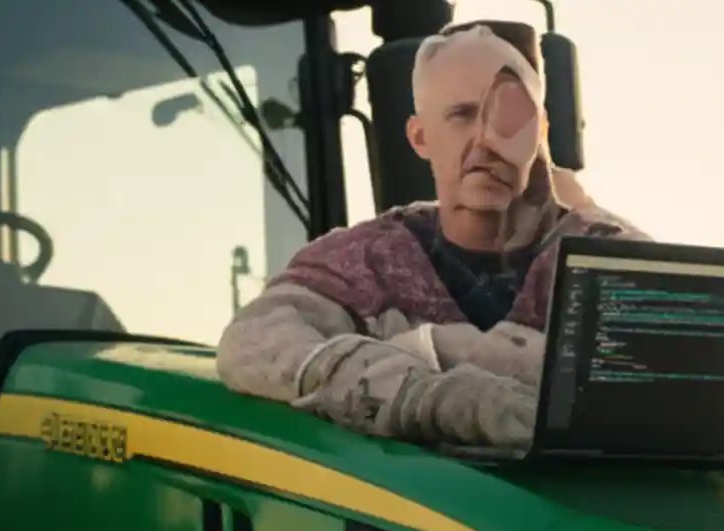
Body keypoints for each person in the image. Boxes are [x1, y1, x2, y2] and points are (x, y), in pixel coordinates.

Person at [216, 19, 651, 449]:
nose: (487, 140)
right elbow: (253, 342)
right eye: (462, 115)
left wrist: (431, 349)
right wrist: (419, 394)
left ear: (540, 132)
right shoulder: (367, 260)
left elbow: (672, 376)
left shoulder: (616, 261)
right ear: (420, 137)